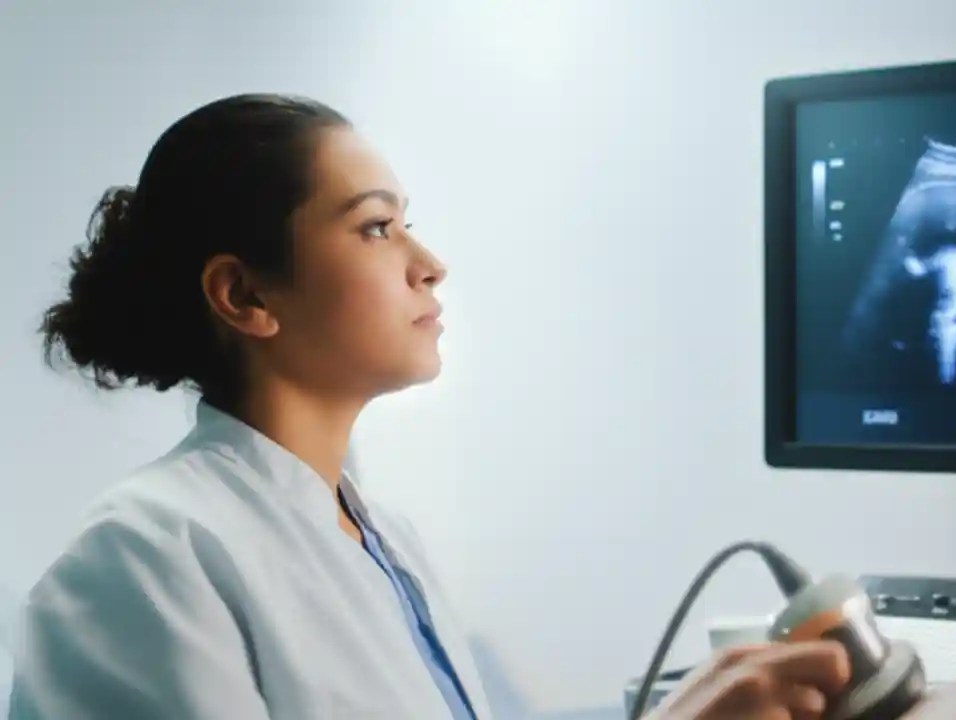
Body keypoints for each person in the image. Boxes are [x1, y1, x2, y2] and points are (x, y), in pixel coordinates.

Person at [8, 93, 856, 720]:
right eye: (377, 228)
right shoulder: (145, 558)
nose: (429, 263)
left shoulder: (383, 544)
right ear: (244, 293)